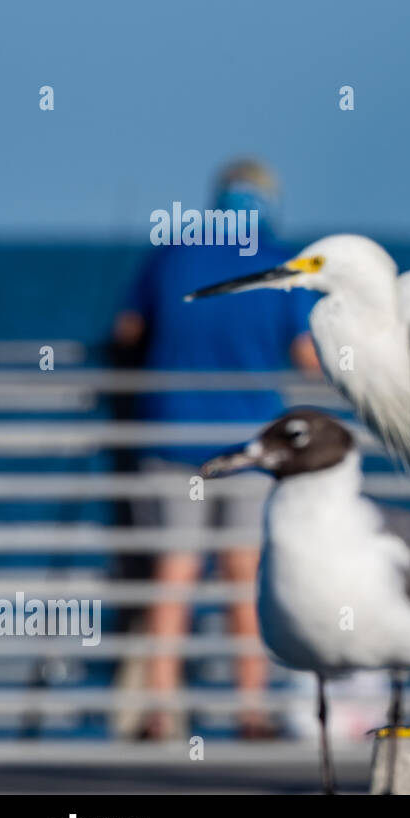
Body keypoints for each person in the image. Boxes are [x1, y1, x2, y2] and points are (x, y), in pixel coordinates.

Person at [112, 160, 319, 740]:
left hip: (168, 437)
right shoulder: (280, 265)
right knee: (242, 575)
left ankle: (159, 712)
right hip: (250, 446)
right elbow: (306, 354)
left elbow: (128, 331)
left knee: (172, 575)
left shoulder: (172, 254)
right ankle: (249, 711)